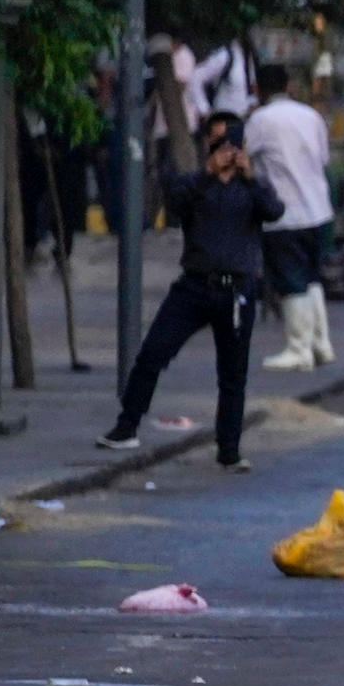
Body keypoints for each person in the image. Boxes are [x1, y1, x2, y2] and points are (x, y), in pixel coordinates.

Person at [103, 117, 286, 469]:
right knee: (154, 352)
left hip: (237, 291)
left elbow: (274, 211)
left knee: (233, 375)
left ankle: (229, 450)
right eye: (218, 143)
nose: (226, 151)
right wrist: (207, 172)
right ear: (207, 145)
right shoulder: (194, 182)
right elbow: (176, 203)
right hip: (195, 284)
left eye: (231, 143)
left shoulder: (252, 188)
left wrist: (248, 175)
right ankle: (127, 426)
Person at [244, 85, 337, 371]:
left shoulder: (261, 120)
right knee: (311, 278)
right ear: (289, 87)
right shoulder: (311, 116)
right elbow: (323, 159)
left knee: (292, 281)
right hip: (320, 210)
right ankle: (321, 343)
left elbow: (244, 156)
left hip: (286, 214)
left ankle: (299, 349)